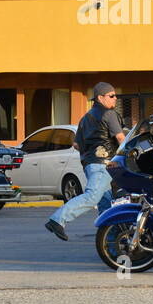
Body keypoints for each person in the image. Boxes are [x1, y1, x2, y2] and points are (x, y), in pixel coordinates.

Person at [45, 82, 125, 241]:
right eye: (111, 96)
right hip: (104, 164)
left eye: (115, 95)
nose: (115, 98)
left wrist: (91, 152)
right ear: (101, 98)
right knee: (92, 197)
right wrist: (129, 155)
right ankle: (57, 220)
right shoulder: (109, 114)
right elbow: (121, 138)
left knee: (106, 205)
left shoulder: (85, 118)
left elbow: (76, 144)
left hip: (90, 165)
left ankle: (110, 244)